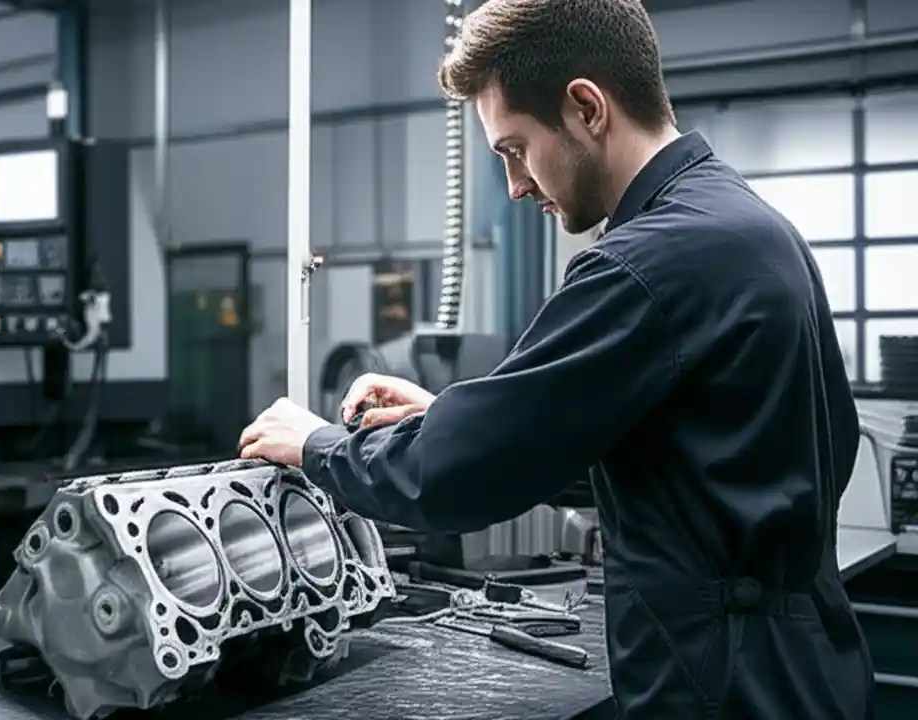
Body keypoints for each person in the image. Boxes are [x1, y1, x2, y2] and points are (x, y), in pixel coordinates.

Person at [236, 0, 874, 717]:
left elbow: (459, 478)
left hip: (724, 680)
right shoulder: (742, 223)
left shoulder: (645, 264)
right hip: (803, 659)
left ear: (585, 108)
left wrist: (318, 446)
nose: (514, 186)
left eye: (514, 149)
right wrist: (448, 412)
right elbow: (645, 436)